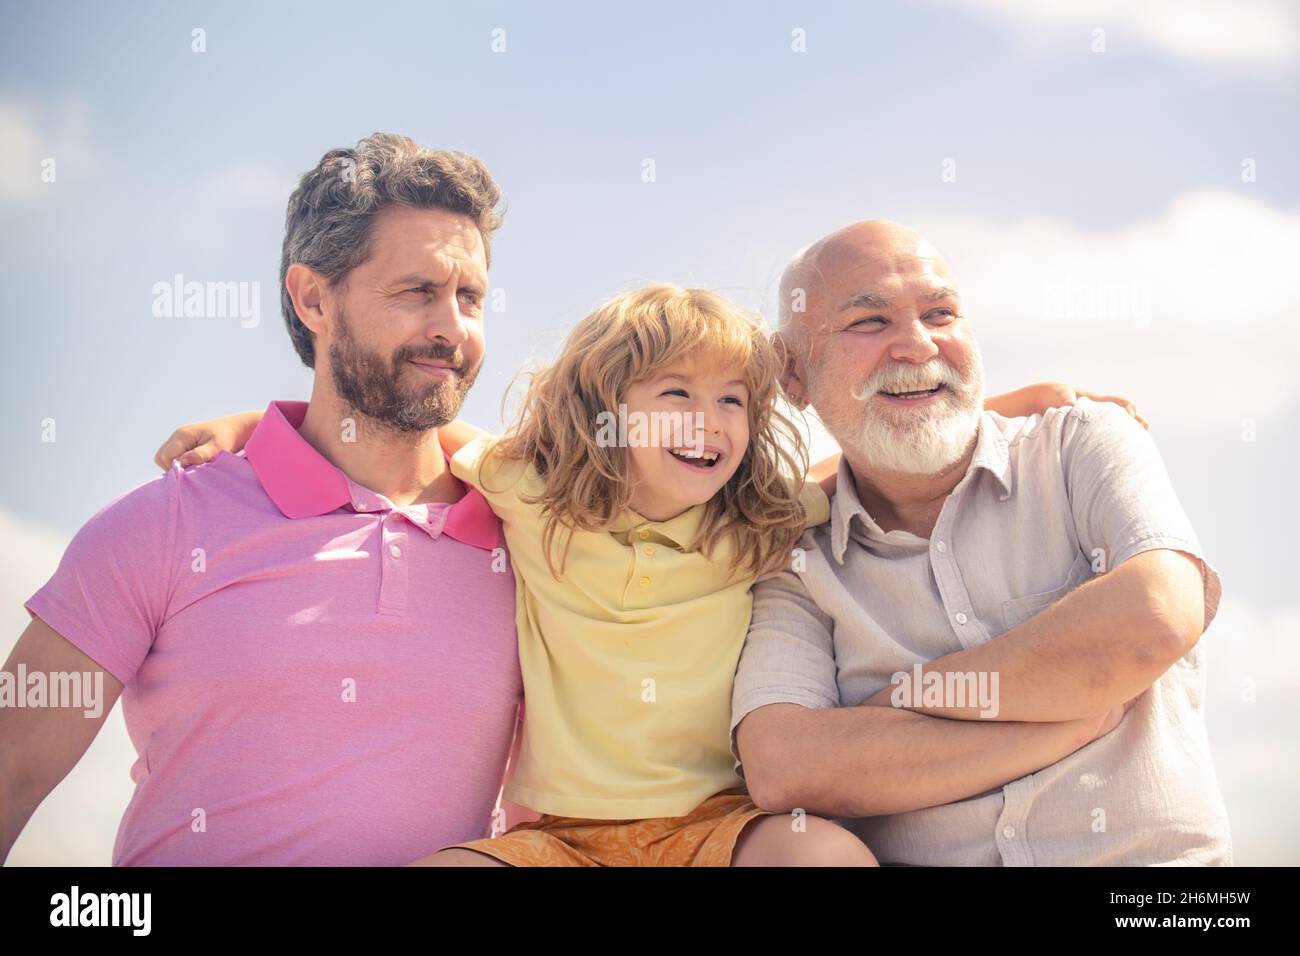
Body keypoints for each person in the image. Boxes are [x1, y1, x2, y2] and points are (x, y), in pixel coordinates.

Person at [173, 281, 1137, 866]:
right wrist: (252, 428)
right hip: (559, 834)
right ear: (603, 410)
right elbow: (415, 436)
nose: (706, 421)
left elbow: (867, 456)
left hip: (720, 827)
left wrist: (1013, 405)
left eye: (728, 401)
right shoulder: (532, 493)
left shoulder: (758, 521)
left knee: (829, 857)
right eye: (673, 393)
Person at [1, 133, 525, 865]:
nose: (451, 327)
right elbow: (11, 771)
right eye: (417, 291)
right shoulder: (163, 525)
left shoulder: (533, 541)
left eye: (470, 297)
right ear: (314, 298)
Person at [731, 219, 1232, 865]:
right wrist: (1063, 720)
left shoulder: (1083, 443)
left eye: (940, 313)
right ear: (792, 373)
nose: (916, 345)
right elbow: (787, 766)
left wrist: (904, 699)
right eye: (870, 322)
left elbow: (1151, 623)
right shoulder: (792, 555)